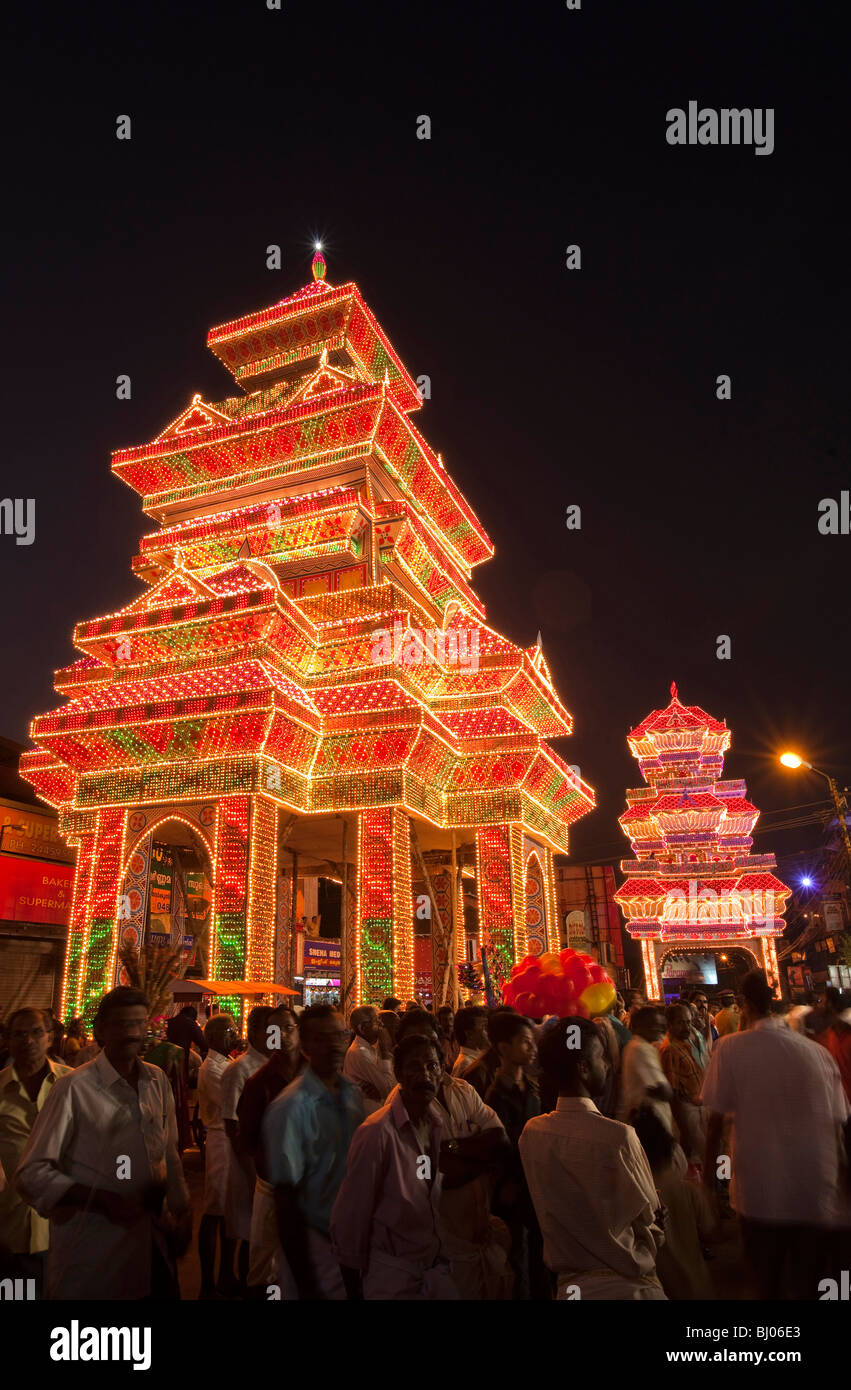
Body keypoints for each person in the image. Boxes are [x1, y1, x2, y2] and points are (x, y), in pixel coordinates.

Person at [16, 986, 190, 1299]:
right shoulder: (73, 1088)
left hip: (152, 1247)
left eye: (138, 1024)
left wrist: (181, 1210)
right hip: (93, 1254)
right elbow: (32, 1173)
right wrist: (102, 1201)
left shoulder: (156, 1081)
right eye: (122, 1025)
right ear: (101, 1030)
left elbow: (169, 1154)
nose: (132, 1033)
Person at [702, 968, 849, 1299]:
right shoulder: (817, 1052)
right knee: (810, 1281)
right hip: (815, 1188)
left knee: (767, 1283)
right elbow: (838, 1127)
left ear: (743, 1004)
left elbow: (714, 1123)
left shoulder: (728, 1048)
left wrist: (708, 1187)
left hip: (759, 1191)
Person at [519, 1016, 666, 1300]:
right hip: (626, 1288)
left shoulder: (532, 1134)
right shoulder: (619, 1138)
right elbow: (651, 1223)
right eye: (601, 1058)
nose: (608, 1066)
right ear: (583, 1068)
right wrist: (658, 1224)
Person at [386, 1010, 513, 1298]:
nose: (425, 1059)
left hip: (480, 1231)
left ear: (441, 1044)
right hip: (437, 1246)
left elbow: (501, 1140)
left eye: (430, 1045)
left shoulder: (462, 1089)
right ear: (399, 1061)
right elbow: (438, 1177)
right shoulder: (397, 1110)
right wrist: (480, 1160)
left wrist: (454, 1149)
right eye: (413, 1051)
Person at [331, 1033, 458, 1299]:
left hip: (434, 1271)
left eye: (432, 1066)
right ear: (398, 1073)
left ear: (442, 1071)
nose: (424, 1075)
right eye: (414, 1067)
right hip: (391, 1278)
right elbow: (350, 1221)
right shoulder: (377, 1132)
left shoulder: (436, 1124)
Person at [263, 1004, 365, 1299]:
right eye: (321, 1038)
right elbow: (285, 1199)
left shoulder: (351, 1094)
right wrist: (306, 1279)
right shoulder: (291, 1107)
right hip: (314, 1242)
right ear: (305, 1045)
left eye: (338, 1036)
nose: (333, 1045)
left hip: (350, 1238)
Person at [0, 1008, 71, 1294]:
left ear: (50, 1038)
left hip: (63, 1228)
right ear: (7, 1040)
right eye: (18, 1034)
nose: (27, 1040)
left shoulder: (73, 1085)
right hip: (9, 1229)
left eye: (36, 1032)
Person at [238, 1006, 305, 1294]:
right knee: (265, 1266)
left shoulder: (317, 1075)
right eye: (275, 1029)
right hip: (272, 1186)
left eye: (289, 1027)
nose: (283, 1035)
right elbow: (248, 1139)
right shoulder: (258, 1084)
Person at [484, 1013, 549, 1300]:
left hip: (538, 1189)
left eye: (532, 1042)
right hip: (514, 1193)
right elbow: (500, 1147)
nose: (532, 1049)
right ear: (502, 1048)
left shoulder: (533, 1088)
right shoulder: (496, 1096)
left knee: (541, 1258)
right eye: (525, 1043)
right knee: (518, 1260)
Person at [631, 1103, 715, 1300]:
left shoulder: (638, 1198)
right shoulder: (689, 1191)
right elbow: (711, 1231)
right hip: (698, 1287)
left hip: (663, 1290)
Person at [220, 1005, 276, 1291]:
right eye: (271, 1029)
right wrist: (252, 1172)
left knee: (264, 1238)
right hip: (249, 1168)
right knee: (249, 1235)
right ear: (253, 1032)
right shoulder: (239, 1070)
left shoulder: (276, 1066)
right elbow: (231, 1124)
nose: (276, 1035)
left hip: (271, 1167)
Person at [197, 1013, 239, 1297]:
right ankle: (207, 1283)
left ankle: (226, 1274)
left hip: (230, 1141)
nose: (234, 1035)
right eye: (229, 1031)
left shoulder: (226, 1064)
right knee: (214, 1211)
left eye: (234, 1030)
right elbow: (233, 1107)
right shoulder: (212, 1068)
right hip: (221, 1141)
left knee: (229, 1214)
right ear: (212, 1038)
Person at [659, 1004, 706, 1166]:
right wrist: (685, 1128)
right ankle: (716, 1184)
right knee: (706, 1152)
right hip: (689, 1110)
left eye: (688, 1022)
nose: (687, 1027)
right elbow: (673, 1092)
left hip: (700, 1105)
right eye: (681, 1023)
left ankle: (721, 1182)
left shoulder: (686, 1043)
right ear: (669, 1024)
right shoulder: (669, 1050)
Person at [619, 1005, 675, 1134]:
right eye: (653, 1025)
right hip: (652, 1122)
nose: (659, 1029)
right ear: (638, 1027)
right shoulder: (640, 1049)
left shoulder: (641, 1046)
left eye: (660, 1024)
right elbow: (665, 1091)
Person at [343, 1005, 395, 1115]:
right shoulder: (360, 1053)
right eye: (377, 1021)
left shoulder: (373, 1047)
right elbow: (389, 1089)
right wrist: (386, 1052)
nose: (381, 1025)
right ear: (362, 1028)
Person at [814, 988, 851, 1102]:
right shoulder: (828, 1035)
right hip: (841, 1104)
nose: (817, 1005)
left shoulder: (845, 1036)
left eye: (820, 1001)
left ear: (830, 1004)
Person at [452, 1005, 489, 1076]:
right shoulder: (467, 1065)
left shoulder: (476, 1058)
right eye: (484, 1027)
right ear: (469, 1034)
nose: (488, 1032)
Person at [437, 1006, 459, 1071]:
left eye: (450, 1019)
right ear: (440, 1022)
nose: (449, 1023)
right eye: (445, 1020)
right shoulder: (437, 1040)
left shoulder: (458, 1038)